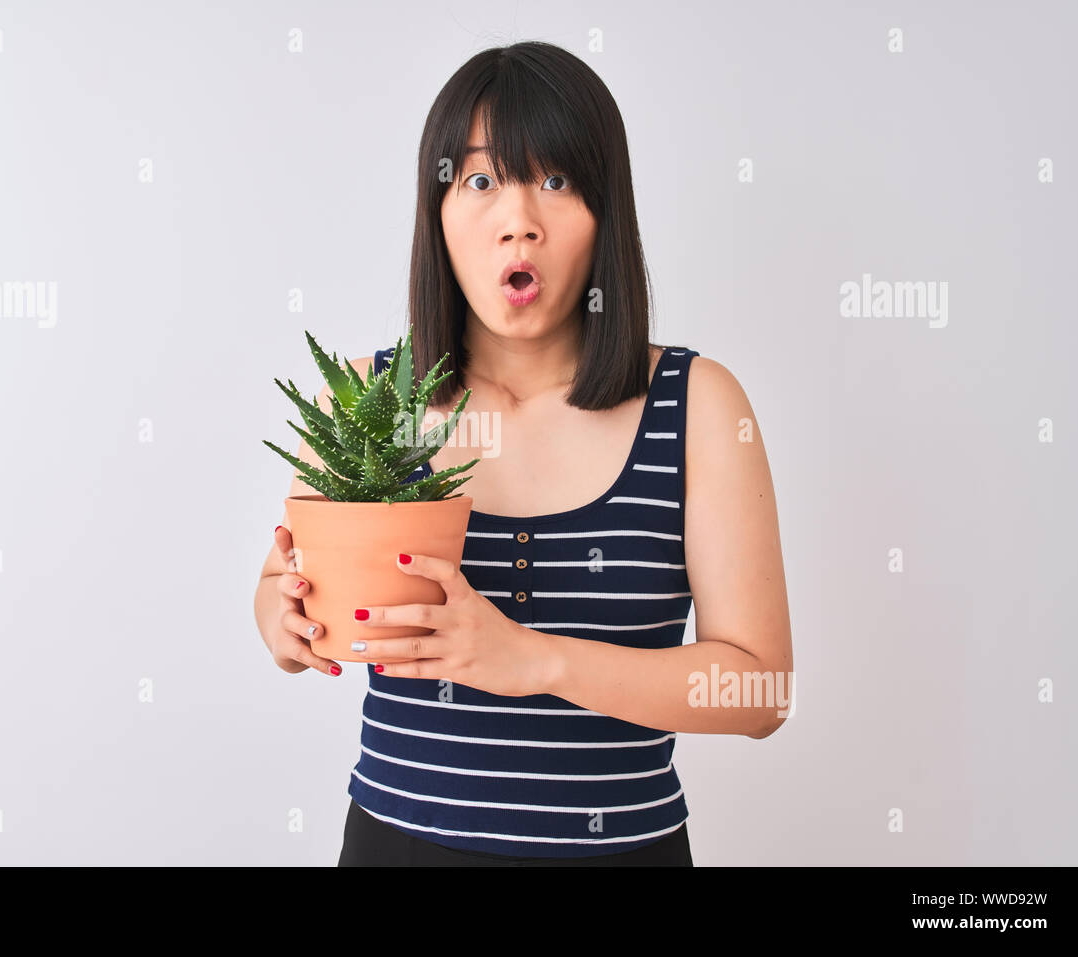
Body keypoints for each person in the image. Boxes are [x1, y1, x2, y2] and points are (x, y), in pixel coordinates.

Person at [253, 41, 792, 866]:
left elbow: (759, 688)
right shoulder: (369, 403)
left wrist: (532, 658)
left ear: (606, 213)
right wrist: (282, 619)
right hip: (397, 845)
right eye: (479, 180)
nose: (520, 220)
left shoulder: (697, 406)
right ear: (436, 212)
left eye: (556, 180)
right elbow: (282, 584)